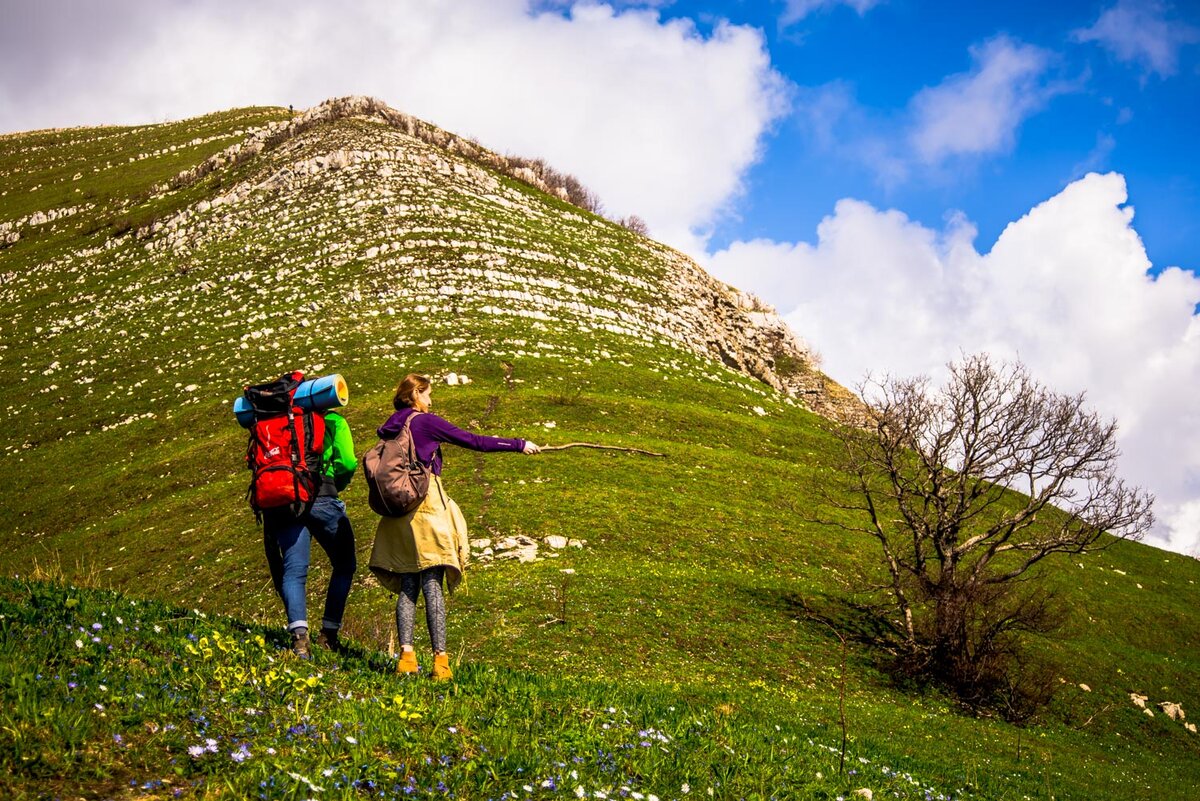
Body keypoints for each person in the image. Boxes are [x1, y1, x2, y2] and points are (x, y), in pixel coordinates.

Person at [369, 373, 540, 680]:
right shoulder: (424, 422)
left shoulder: (391, 427)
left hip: (397, 514)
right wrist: (518, 444)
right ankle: (440, 663)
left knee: (409, 584)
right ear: (416, 395)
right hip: (424, 505)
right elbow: (474, 441)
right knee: (432, 579)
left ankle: (406, 658)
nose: (431, 401)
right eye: (428, 394)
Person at [262, 408, 358, 658]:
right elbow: (347, 461)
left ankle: (299, 640)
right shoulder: (333, 420)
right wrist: (336, 485)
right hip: (322, 496)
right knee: (345, 564)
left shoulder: (279, 421)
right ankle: (328, 634)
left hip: (285, 498)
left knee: (294, 570)